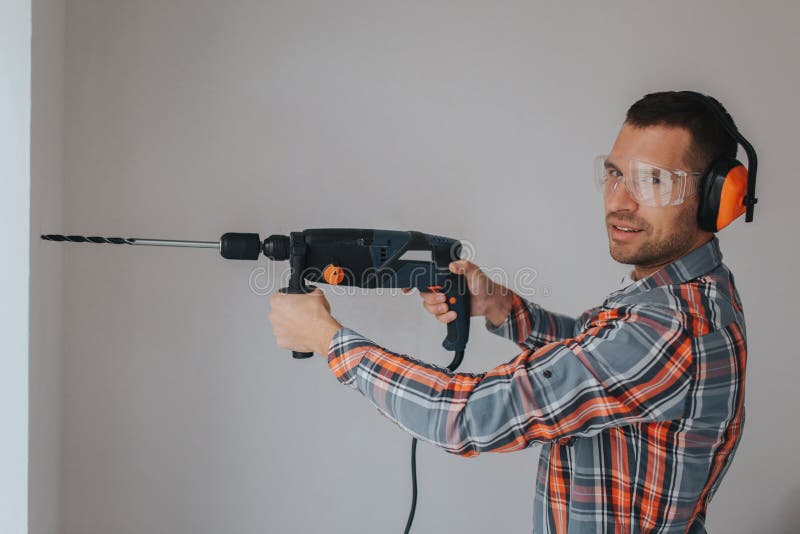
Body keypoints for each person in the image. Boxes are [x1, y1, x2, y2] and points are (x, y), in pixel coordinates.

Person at [268, 91, 749, 533]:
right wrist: (502, 307)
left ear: (716, 197)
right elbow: (595, 355)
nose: (619, 200)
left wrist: (330, 340)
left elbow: (467, 417)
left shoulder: (670, 327)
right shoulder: (690, 292)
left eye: (654, 180)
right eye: (615, 173)